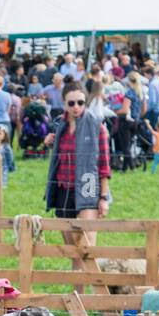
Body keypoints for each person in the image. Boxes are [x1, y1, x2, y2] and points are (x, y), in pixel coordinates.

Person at [43, 82, 112, 250]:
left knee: (86, 250)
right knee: (71, 250)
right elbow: (64, 152)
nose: (76, 107)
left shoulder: (97, 127)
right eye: (71, 103)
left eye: (81, 102)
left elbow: (104, 166)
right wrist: (50, 142)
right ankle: (75, 276)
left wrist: (103, 198)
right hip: (62, 190)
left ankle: (89, 276)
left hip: (87, 189)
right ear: (64, 103)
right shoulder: (60, 126)